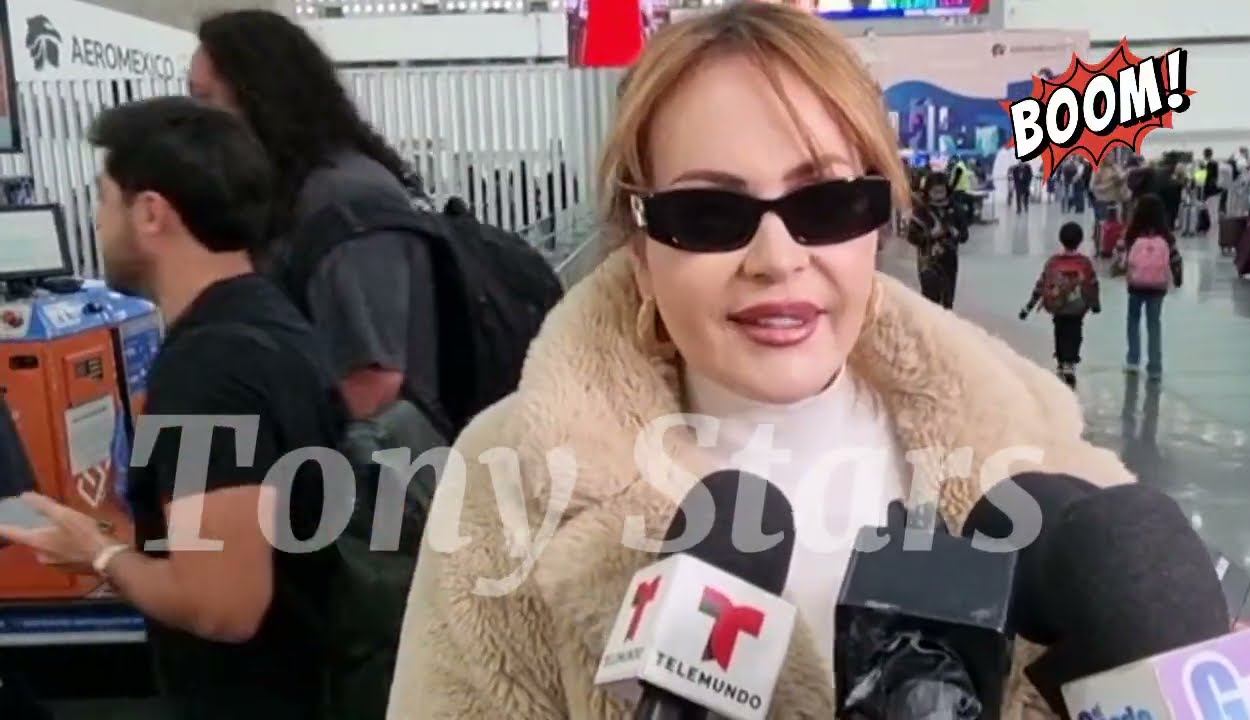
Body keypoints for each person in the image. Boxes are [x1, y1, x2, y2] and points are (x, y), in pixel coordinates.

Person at [385, 4, 1135, 718]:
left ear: (876, 225)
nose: (776, 259)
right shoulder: (504, 483)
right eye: (708, 215)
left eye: (826, 203)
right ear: (639, 251)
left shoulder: (1039, 453)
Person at [0, 98, 345, 719]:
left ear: (151, 212)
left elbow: (223, 607)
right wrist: (109, 532)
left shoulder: (209, 369)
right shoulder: (270, 321)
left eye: (104, 200)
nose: (98, 222)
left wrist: (102, 557)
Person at [190, 10, 433, 422]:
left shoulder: (345, 203)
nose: (194, 123)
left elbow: (373, 384)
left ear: (260, 99)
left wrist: (276, 442)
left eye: (204, 100)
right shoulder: (295, 194)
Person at [1019, 221, 1101, 388]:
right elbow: (1092, 285)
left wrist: (1028, 307)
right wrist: (1095, 304)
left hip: (1058, 306)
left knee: (1060, 331)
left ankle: (1061, 361)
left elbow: (1041, 285)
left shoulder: (1053, 262)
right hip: (1077, 308)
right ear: (1080, 240)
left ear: (1061, 239)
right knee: (1075, 332)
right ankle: (1070, 362)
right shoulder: (1084, 263)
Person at [1123, 194, 1184, 383]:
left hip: (1136, 285)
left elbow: (1121, 255)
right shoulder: (1166, 236)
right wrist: (1178, 278)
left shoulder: (1132, 234)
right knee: (1154, 324)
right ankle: (1155, 367)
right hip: (1157, 287)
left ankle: (1133, 360)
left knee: (1133, 320)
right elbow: (1175, 258)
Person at [907, 170, 968, 309]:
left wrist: (955, 234)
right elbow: (911, 237)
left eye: (942, 191)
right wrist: (930, 235)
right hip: (927, 261)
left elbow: (964, 236)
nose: (939, 196)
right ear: (928, 191)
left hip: (949, 260)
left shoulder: (955, 209)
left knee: (948, 300)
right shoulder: (921, 211)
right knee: (930, 301)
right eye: (935, 192)